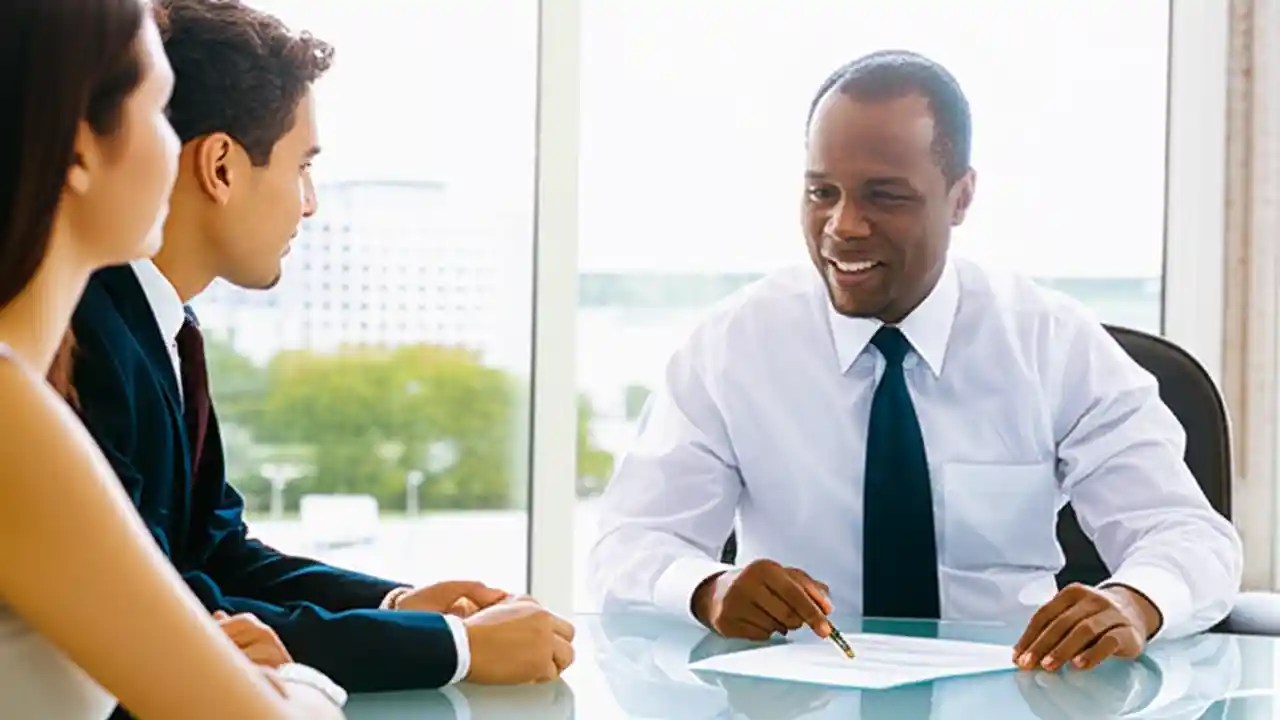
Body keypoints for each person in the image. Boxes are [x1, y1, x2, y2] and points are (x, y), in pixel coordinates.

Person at [589, 50, 1243, 673]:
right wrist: (709, 588)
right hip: (800, 698)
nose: (842, 226)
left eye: (885, 196)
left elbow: (1190, 536)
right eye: (822, 193)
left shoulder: (1051, 343)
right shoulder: (732, 348)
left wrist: (1137, 599)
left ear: (960, 197)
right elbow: (628, 546)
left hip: (1009, 696)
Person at [67, 0, 573, 693]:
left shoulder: (162, 327)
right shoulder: (82, 336)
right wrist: (453, 647)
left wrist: (396, 606)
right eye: (301, 167)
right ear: (219, 166)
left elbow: (215, 550)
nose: (309, 204)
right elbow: (159, 602)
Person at [0, 1, 344, 717]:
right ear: (79, 149)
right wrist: (288, 685)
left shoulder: (35, 387)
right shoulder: (12, 420)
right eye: (159, 111)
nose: (178, 149)